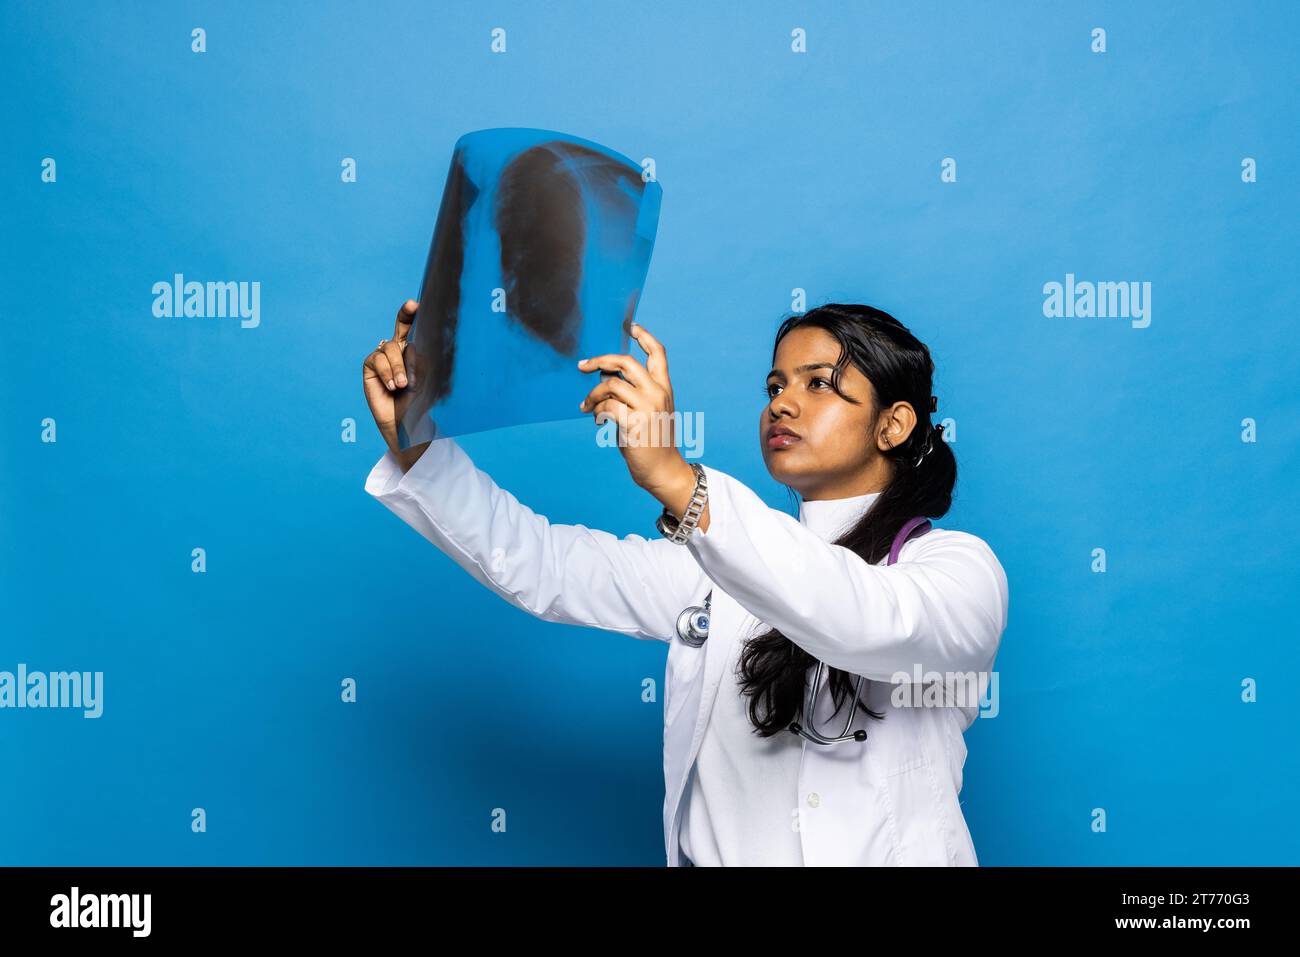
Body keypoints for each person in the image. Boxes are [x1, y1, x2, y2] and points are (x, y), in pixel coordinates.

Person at [362, 299, 1009, 866]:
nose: (782, 402)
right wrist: (416, 442)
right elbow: (542, 565)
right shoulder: (711, 569)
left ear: (892, 425)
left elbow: (867, 619)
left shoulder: (958, 572)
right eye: (775, 384)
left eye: (819, 384)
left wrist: (679, 480)